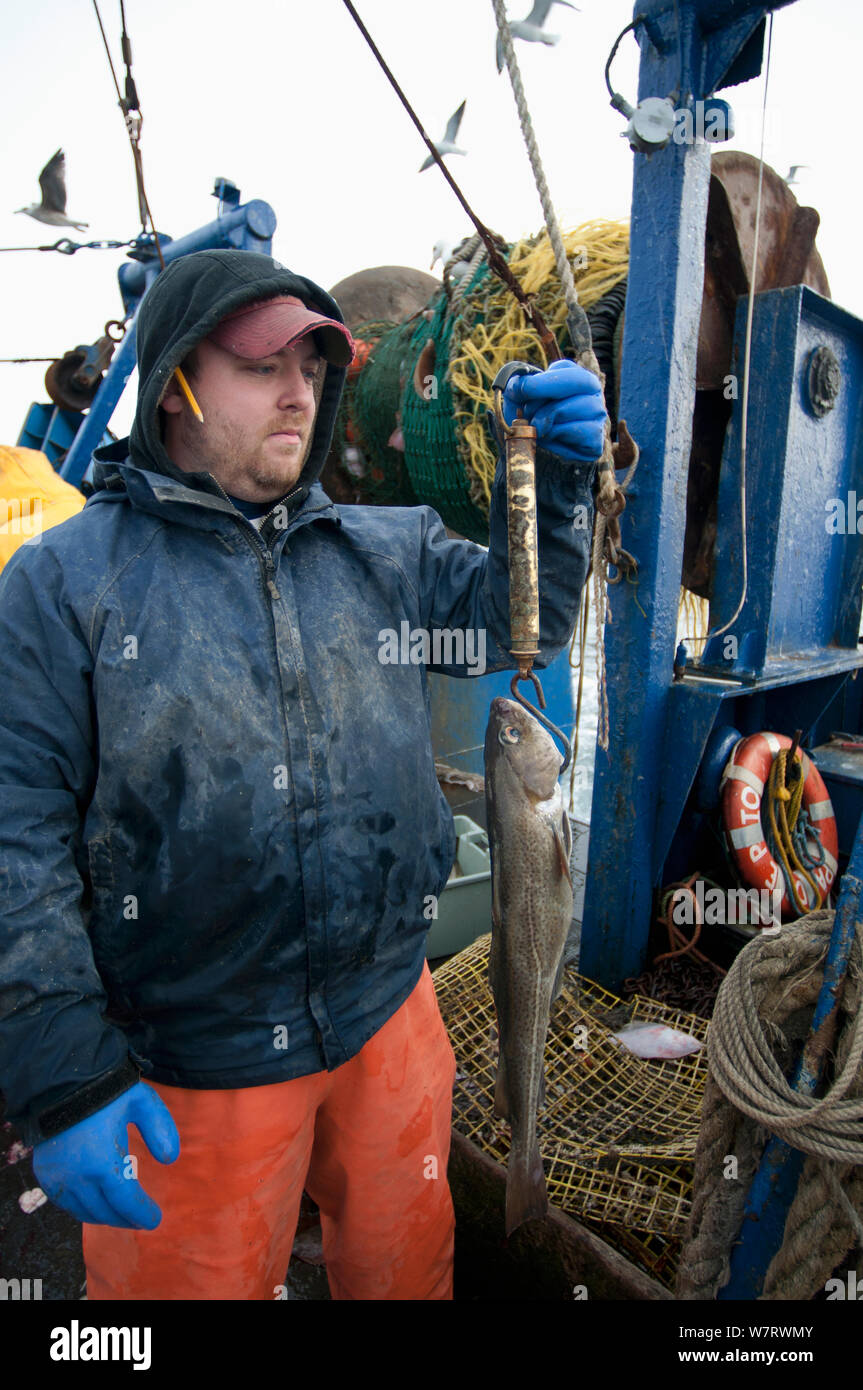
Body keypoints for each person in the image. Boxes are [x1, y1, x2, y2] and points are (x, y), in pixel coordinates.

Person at [0, 247, 606, 1301]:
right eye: (263, 366)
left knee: (407, 1272)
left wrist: (551, 494)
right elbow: (17, 835)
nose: (300, 392)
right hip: (191, 1060)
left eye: (316, 369)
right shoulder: (61, 585)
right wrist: (63, 1073)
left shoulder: (384, 552)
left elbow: (528, 625)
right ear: (177, 378)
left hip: (388, 1016)